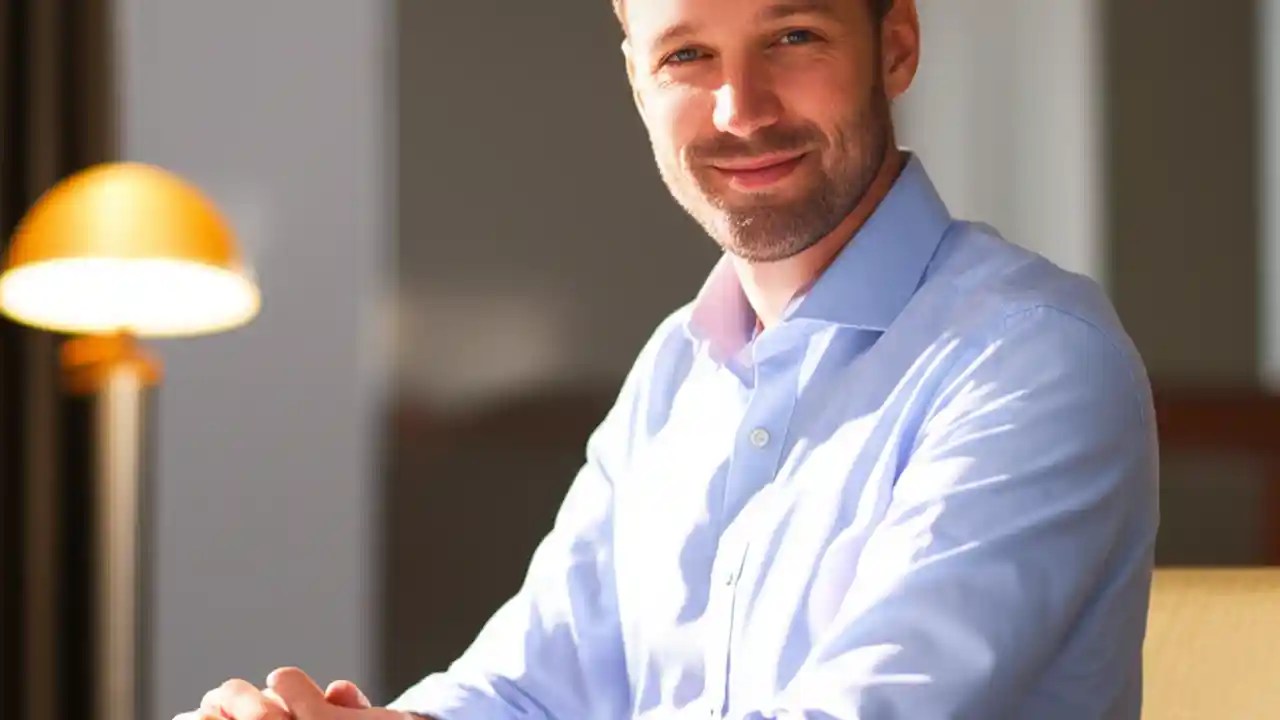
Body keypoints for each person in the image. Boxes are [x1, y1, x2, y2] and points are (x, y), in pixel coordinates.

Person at [180, 0, 1159, 718]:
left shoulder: (1030, 359)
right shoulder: (676, 369)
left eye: (791, 38)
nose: (739, 108)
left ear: (893, 45)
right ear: (637, 80)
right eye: (688, 53)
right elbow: (530, 683)